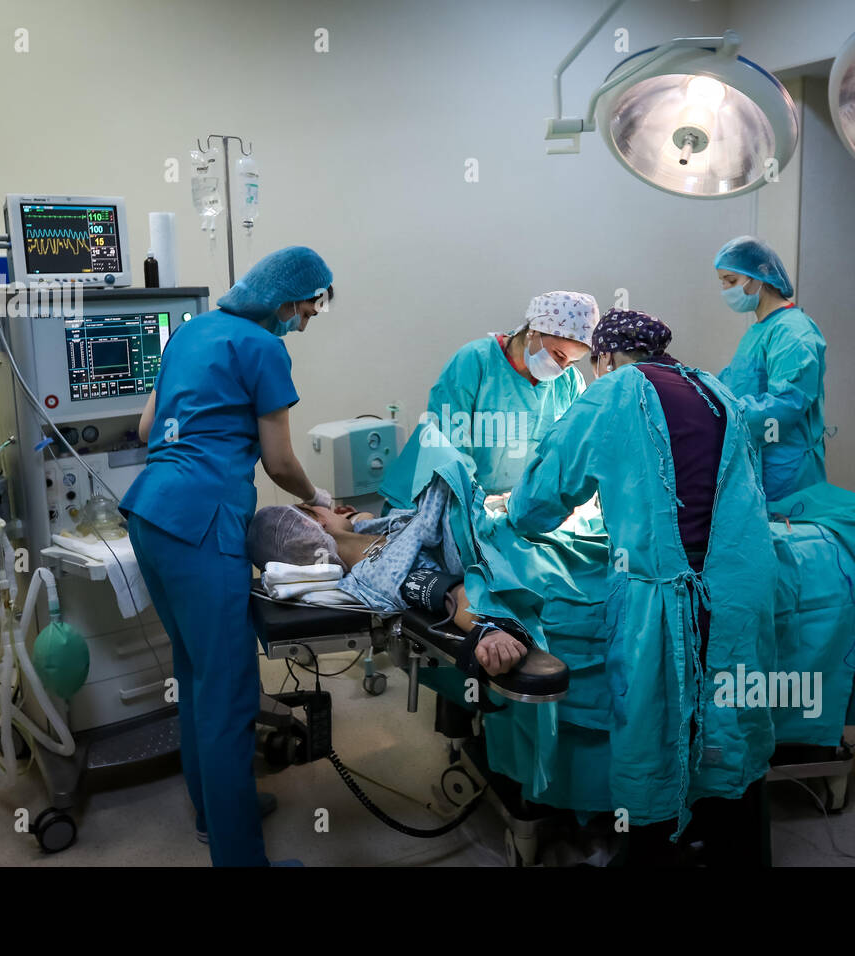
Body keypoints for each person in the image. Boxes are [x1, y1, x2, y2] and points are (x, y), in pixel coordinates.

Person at [505, 308, 778, 865]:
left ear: (604, 357)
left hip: (664, 597)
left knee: (654, 730)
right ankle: (733, 847)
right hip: (737, 590)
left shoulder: (614, 393)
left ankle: (652, 852)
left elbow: (538, 503)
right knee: (730, 720)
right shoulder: (713, 388)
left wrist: (510, 510)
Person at [120, 245, 335, 866]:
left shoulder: (189, 334)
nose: (308, 321)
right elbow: (279, 461)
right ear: (288, 299)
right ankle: (240, 859)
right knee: (231, 692)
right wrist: (317, 497)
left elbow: (144, 430)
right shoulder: (266, 349)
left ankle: (216, 814)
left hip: (151, 513)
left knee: (195, 674)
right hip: (201, 522)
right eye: (310, 309)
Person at [249, 503, 531, 676]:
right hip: (511, 548)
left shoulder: (360, 536)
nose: (334, 507)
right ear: (318, 521)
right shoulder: (385, 570)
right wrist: (492, 632)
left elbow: (366, 521)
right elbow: (447, 592)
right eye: (326, 507)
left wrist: (355, 518)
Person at [424, 291, 598, 494]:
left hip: (526, 506)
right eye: (558, 355)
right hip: (467, 499)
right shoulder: (474, 362)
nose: (562, 368)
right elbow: (448, 446)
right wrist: (475, 503)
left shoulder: (569, 382)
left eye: (571, 363)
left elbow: (577, 449)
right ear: (533, 331)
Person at [714, 236, 828, 501]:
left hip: (786, 466)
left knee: (785, 533)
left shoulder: (793, 331)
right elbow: (734, 380)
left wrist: (726, 413)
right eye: (722, 282)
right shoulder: (760, 330)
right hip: (759, 456)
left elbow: (787, 404)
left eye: (731, 281)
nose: (725, 290)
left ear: (758, 277)